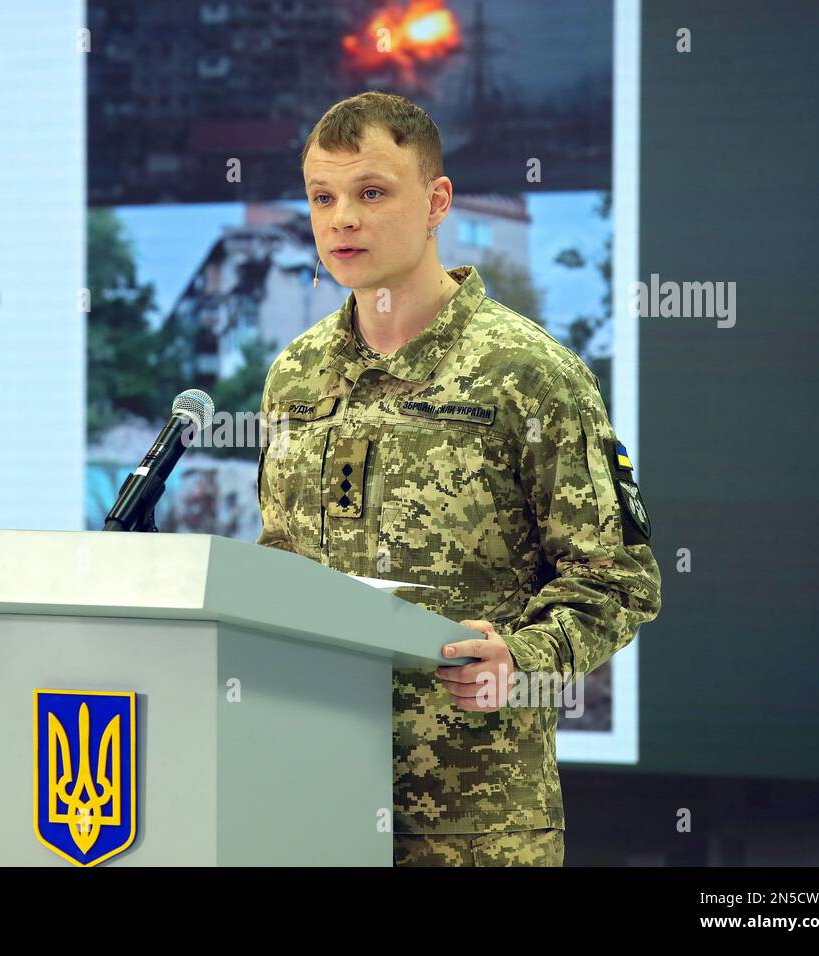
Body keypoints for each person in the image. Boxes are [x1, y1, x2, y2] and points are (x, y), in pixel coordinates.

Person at [255, 92, 662, 867]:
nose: (342, 219)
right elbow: (282, 559)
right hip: (305, 801)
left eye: (371, 193)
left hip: (476, 826)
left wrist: (525, 658)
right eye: (323, 197)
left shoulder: (528, 374)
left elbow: (618, 581)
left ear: (438, 201)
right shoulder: (296, 376)